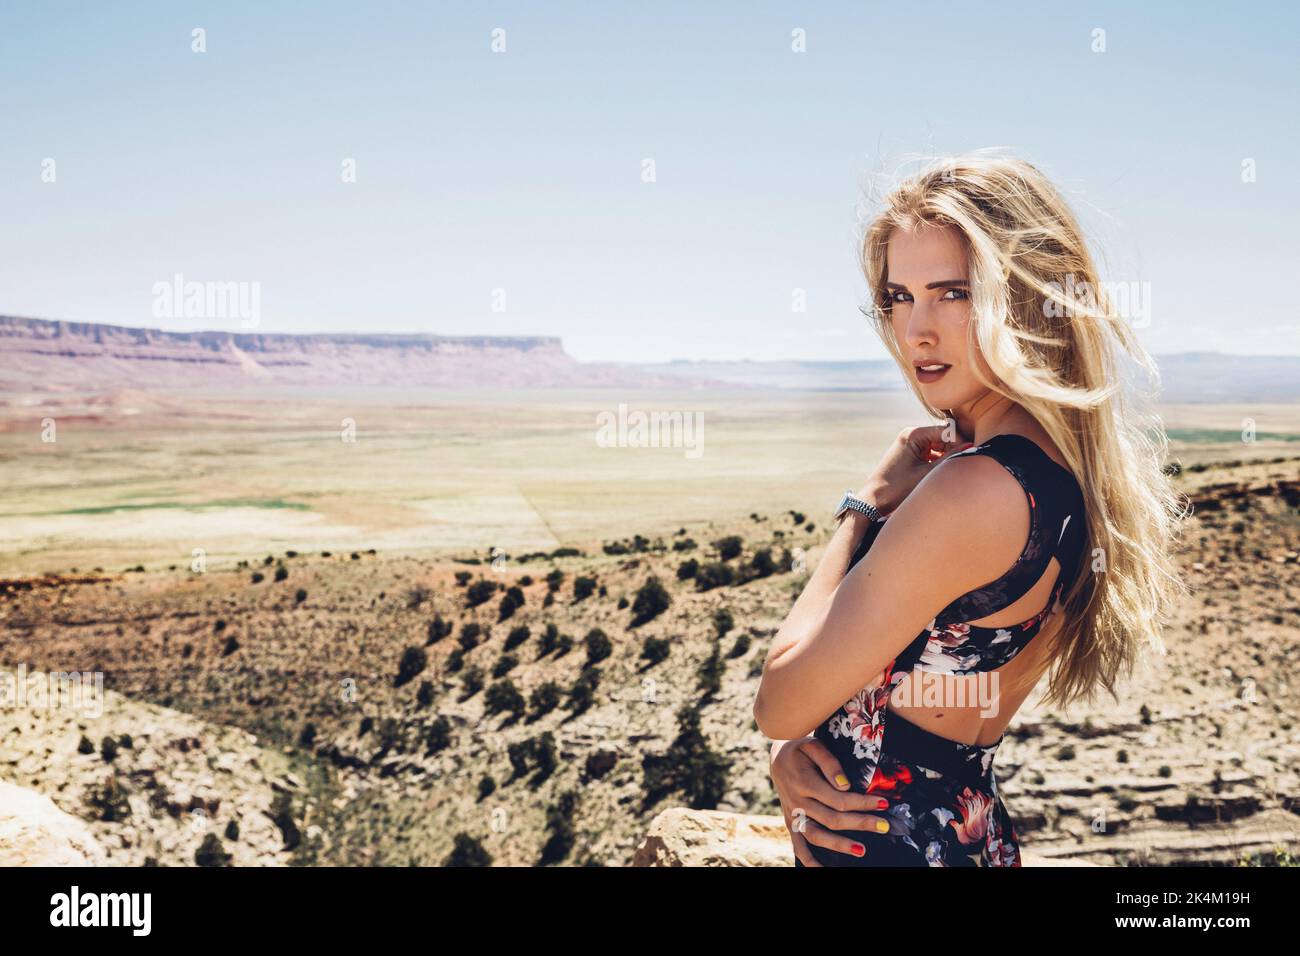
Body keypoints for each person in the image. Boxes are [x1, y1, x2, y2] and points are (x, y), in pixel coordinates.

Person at [752, 153, 1189, 866]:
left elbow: (779, 699)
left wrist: (864, 505)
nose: (915, 330)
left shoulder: (972, 490)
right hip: (959, 835)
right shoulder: (1059, 476)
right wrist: (801, 755)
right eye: (897, 297)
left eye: (951, 293)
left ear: (1024, 297)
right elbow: (909, 709)